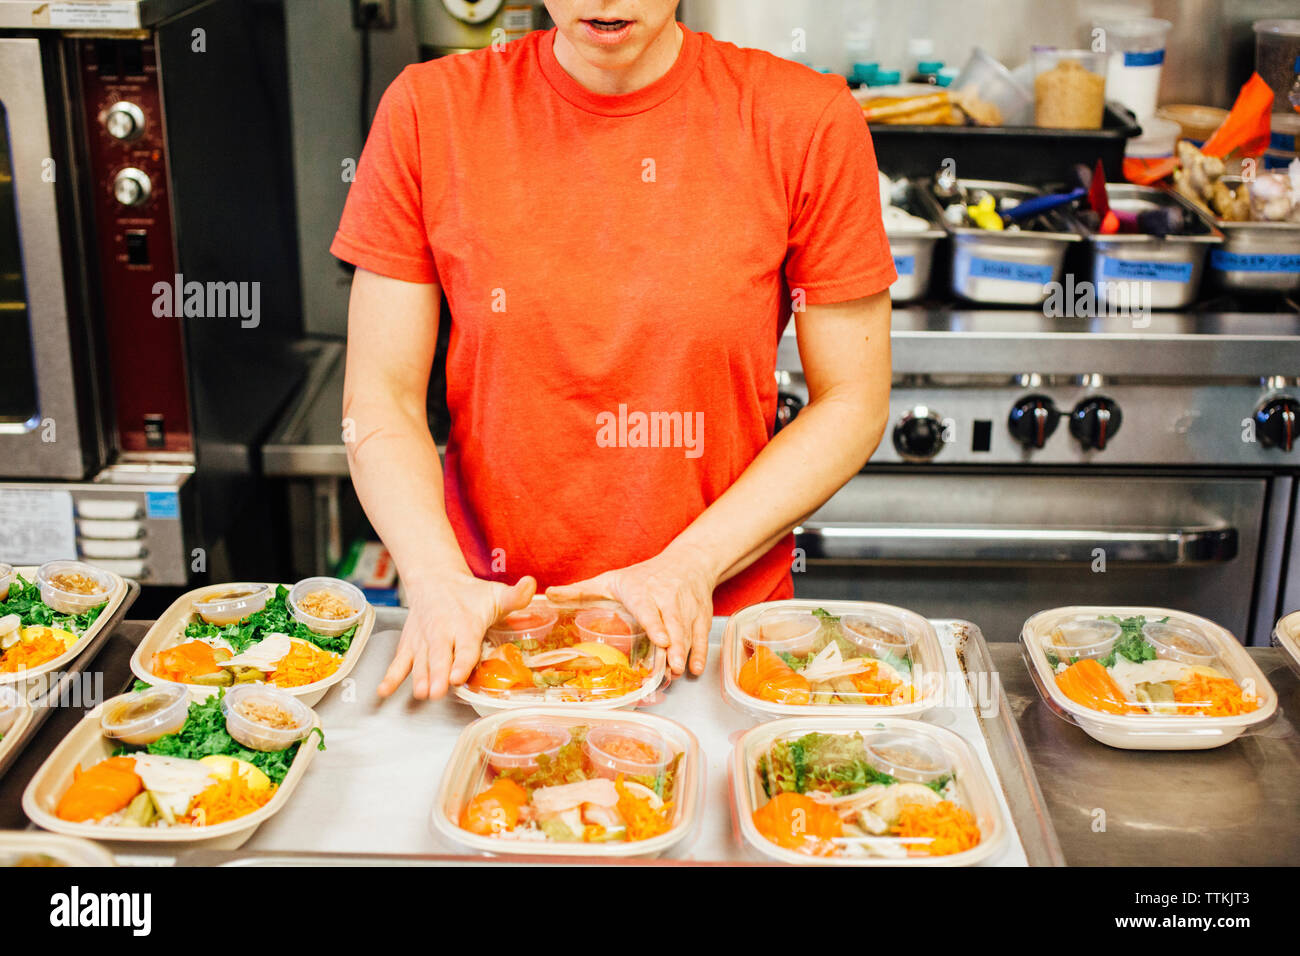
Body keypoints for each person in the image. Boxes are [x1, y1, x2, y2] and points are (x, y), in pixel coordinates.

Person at [332, 1, 895, 700]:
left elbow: (853, 399)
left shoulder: (803, 118)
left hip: (712, 634)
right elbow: (380, 397)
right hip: (494, 632)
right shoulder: (430, 110)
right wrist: (435, 578)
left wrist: (688, 566)